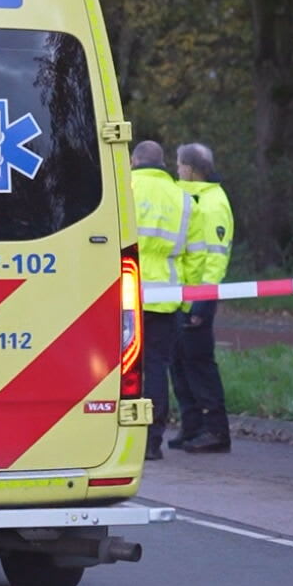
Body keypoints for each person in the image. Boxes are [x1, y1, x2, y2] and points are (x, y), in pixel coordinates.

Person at [170, 142, 235, 454]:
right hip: (181, 297)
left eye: (180, 164)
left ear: (191, 169)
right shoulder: (192, 198)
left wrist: (203, 302)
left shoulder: (213, 204)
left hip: (198, 298)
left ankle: (216, 431)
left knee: (199, 366)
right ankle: (193, 427)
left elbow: (215, 258)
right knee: (181, 366)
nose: (176, 169)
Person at [131, 139, 193, 461]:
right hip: (167, 295)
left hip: (125, 292)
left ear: (134, 160)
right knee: (157, 368)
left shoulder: (124, 187)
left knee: (123, 369)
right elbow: (190, 256)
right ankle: (152, 441)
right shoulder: (182, 197)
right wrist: (188, 298)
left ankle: (123, 439)